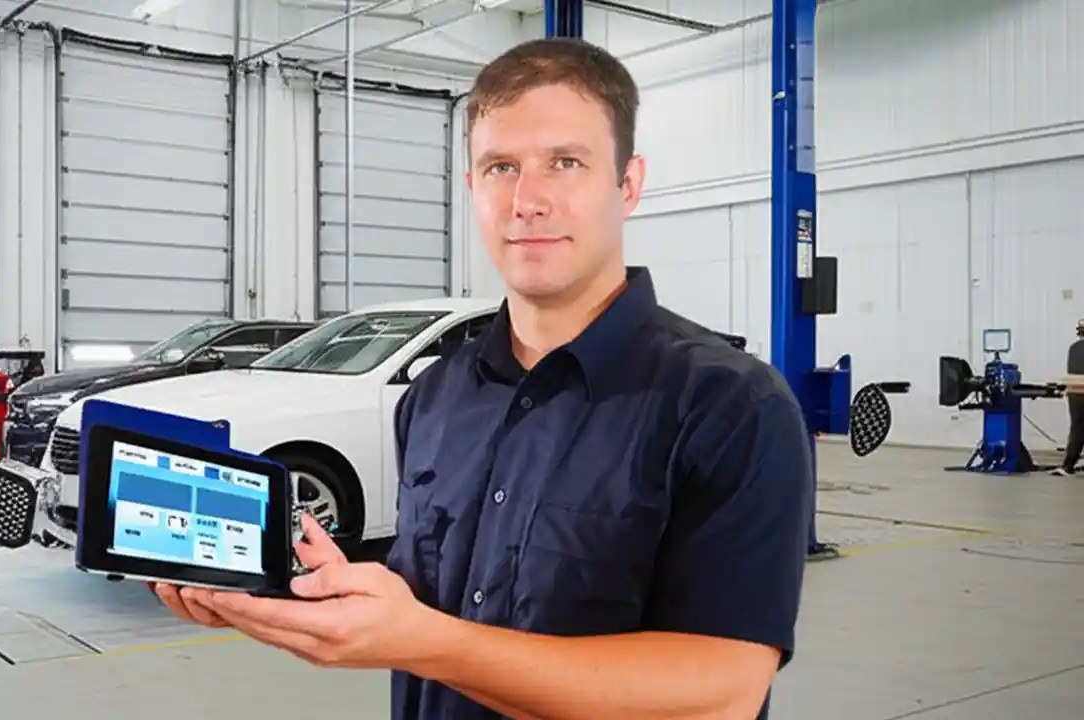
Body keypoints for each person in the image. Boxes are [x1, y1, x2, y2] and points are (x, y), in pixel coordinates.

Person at [154, 37, 813, 720]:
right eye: (500, 167)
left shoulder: (730, 406)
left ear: (629, 184)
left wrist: (427, 642)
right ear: (472, 188)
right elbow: (432, 602)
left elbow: (722, 692)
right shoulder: (433, 397)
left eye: (565, 162)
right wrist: (313, 593)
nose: (527, 200)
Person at [1049, 319, 1084, 476]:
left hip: (1075, 393)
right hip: (1077, 389)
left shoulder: (1074, 348)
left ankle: (1068, 465)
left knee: (1077, 429)